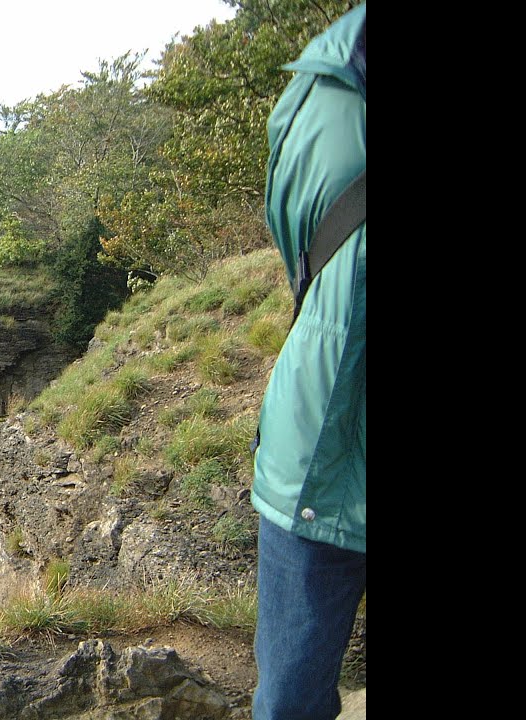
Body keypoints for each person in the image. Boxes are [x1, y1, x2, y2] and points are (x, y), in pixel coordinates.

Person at [250, 4, 366, 719]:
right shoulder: (321, 92)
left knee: (288, 698)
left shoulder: (315, 90)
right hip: (313, 462)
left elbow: (292, 234)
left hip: (308, 445)